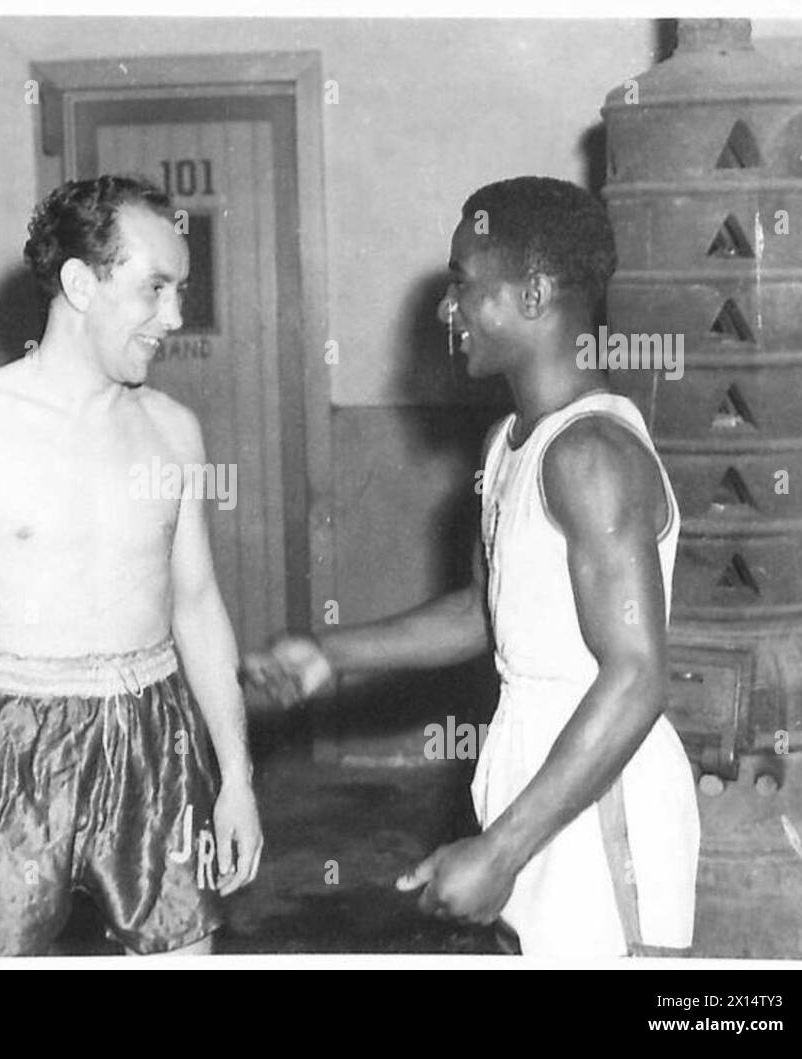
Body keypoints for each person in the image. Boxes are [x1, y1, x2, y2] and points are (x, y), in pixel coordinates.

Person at [244, 176, 699, 957]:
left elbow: (635, 676)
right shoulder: (511, 442)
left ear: (535, 294)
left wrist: (503, 848)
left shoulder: (591, 455)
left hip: (602, 792)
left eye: (464, 285)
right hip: (538, 772)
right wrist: (331, 652)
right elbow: (485, 613)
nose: (445, 310)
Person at [0, 175, 261, 957]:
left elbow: (196, 605)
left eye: (181, 290)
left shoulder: (174, 431)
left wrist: (236, 777)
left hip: (157, 734)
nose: (176, 317)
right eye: (155, 289)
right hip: (14, 736)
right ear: (81, 283)